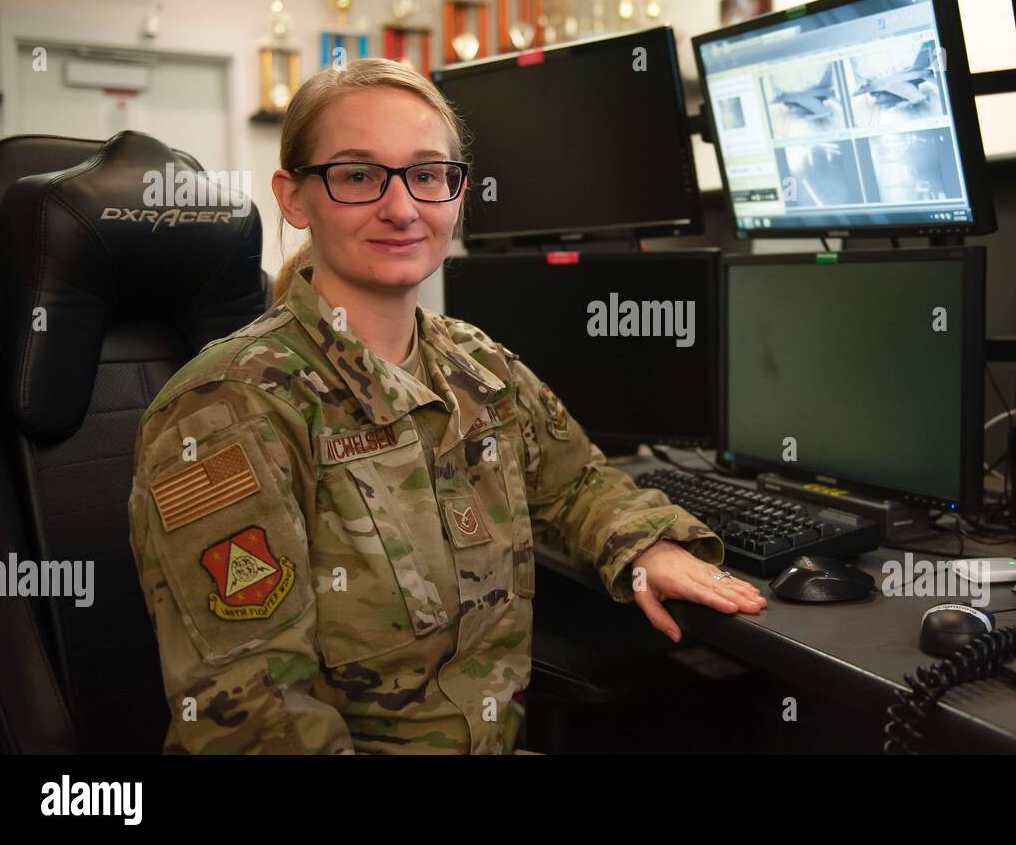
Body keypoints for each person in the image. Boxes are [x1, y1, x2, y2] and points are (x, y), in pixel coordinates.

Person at [127, 57, 767, 754]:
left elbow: (576, 481)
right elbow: (256, 720)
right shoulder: (229, 409)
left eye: (428, 174)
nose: (402, 207)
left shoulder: (475, 363)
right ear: (294, 197)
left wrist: (642, 542)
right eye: (358, 174)